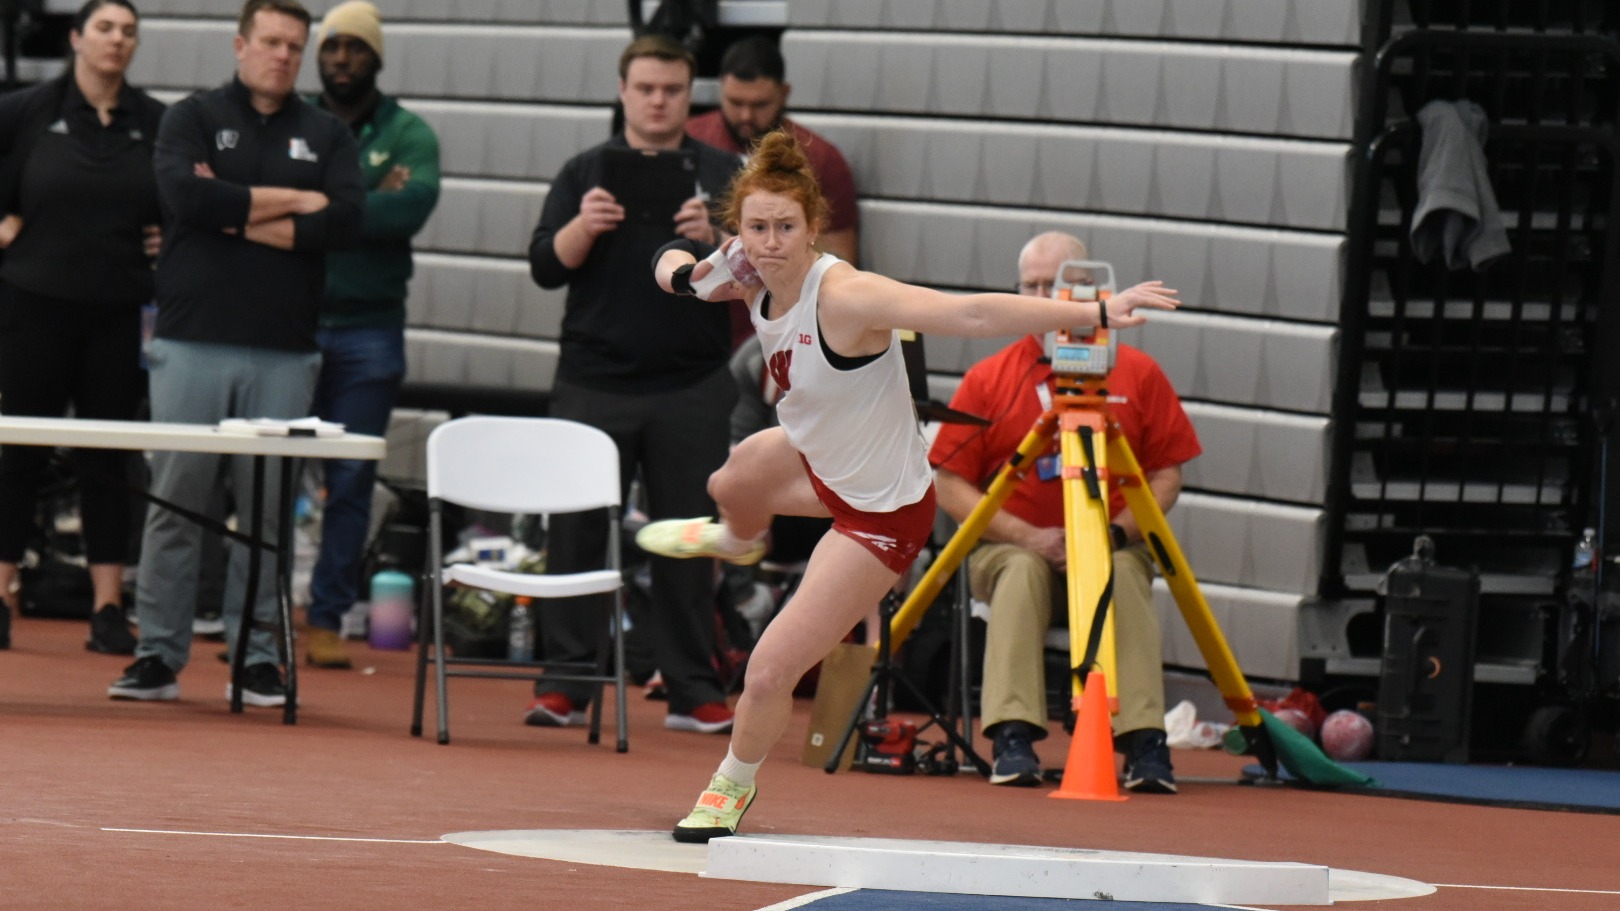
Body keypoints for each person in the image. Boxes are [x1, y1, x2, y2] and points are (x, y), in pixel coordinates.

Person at [640, 131, 1178, 841]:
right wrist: (679, 268)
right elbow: (670, 271)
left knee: (768, 671)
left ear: (813, 228)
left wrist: (1093, 314)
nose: (770, 244)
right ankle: (740, 540)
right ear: (738, 229)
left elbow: (972, 314)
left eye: (785, 229)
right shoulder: (743, 264)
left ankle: (729, 786)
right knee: (728, 477)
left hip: (880, 517)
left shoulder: (850, 296)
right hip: (816, 461)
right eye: (757, 228)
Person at [107, 0, 362, 704]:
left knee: (267, 509)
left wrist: (237, 208)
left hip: (284, 347)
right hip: (191, 338)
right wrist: (290, 202)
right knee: (176, 497)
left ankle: (256, 656)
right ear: (240, 43)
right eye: (270, 42)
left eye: (294, 45)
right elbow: (186, 201)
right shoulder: (189, 116)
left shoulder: (327, 132)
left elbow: (343, 221)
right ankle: (158, 652)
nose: (282, 55)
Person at [928, 231, 1203, 793]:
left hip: (1108, 550)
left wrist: (1116, 534)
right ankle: (1012, 735)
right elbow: (947, 481)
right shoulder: (990, 377)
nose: (1036, 297)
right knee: (1021, 571)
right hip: (1011, 551)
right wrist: (1025, 535)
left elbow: (1166, 475)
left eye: (1047, 285)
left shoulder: (1138, 374)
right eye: (1027, 286)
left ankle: (1144, 740)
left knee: (1127, 572)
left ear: (1086, 287)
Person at [525, 34, 742, 735]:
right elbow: (544, 266)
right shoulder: (584, 170)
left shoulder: (724, 173)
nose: (658, 101)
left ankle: (691, 684)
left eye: (673, 90)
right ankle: (566, 680)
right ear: (623, 91)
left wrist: (716, 240)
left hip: (692, 383)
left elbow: (764, 275)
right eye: (646, 88)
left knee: (689, 537)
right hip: (594, 380)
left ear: (690, 95)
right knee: (577, 534)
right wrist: (581, 229)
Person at [0, 0, 165, 654]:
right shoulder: (27, 110)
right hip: (31, 307)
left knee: (108, 461)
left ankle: (106, 607)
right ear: (76, 38)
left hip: (117, 312)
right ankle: (2, 592)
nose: (117, 40)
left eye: (128, 31)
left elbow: (189, 195)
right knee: (21, 456)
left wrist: (167, 237)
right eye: (104, 28)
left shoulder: (154, 122)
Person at [301, 0, 440, 669]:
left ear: (375, 57)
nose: (342, 59)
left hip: (370, 331)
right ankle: (260, 615)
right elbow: (265, 193)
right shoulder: (293, 121)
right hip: (288, 325)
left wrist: (318, 201)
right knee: (265, 480)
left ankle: (325, 617)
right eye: (332, 48)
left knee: (351, 481)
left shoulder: (409, 131)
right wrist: (362, 195)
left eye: (356, 48)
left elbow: (411, 205)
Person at [686, 35, 860, 349]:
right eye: (735, 102)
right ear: (720, 89)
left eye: (759, 105)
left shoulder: (819, 159)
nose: (746, 117)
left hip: (781, 332)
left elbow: (840, 261)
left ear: (784, 94)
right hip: (693, 329)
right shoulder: (688, 142)